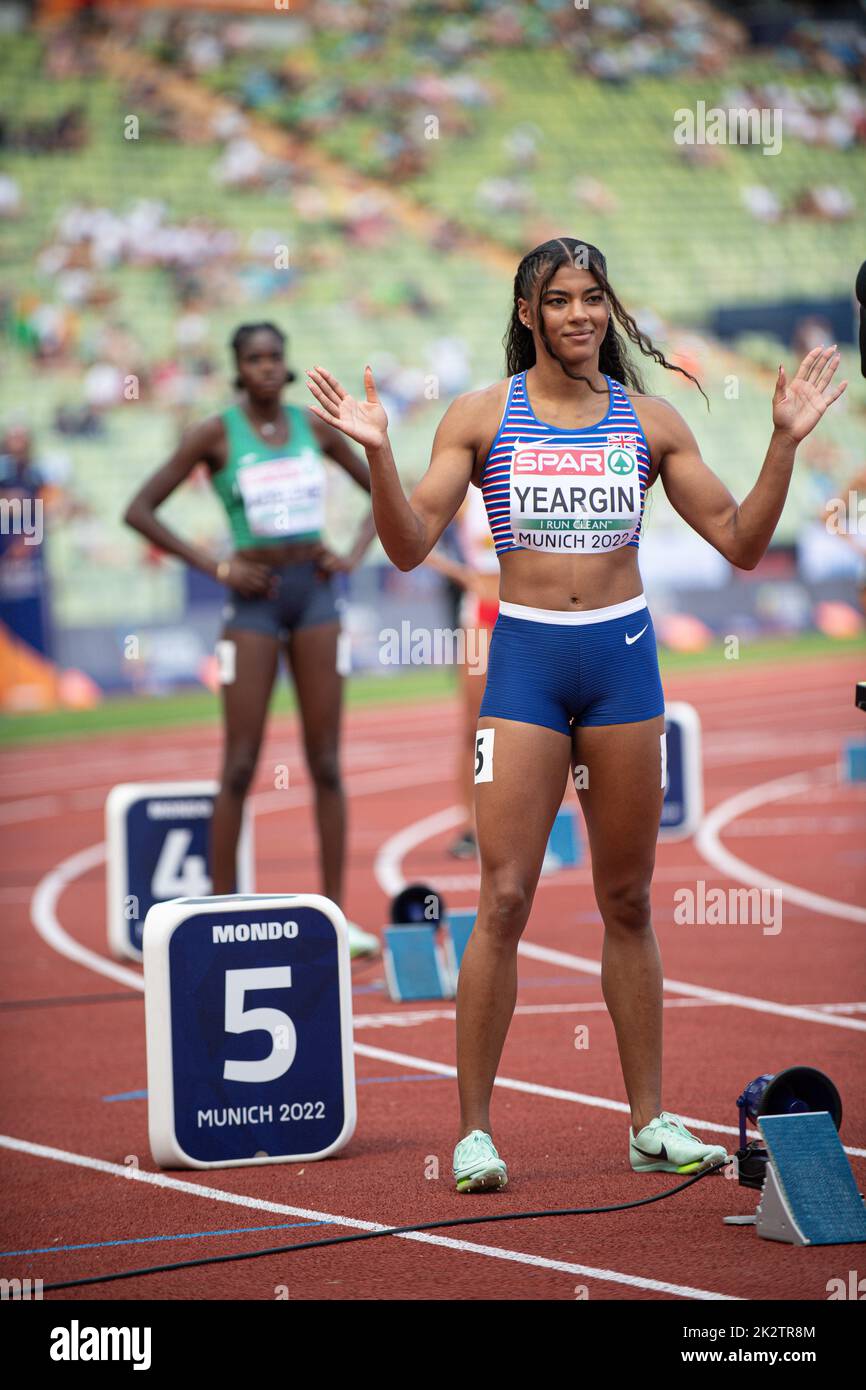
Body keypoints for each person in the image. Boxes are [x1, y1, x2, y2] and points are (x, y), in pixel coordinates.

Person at [306, 236, 847, 1190]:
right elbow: (402, 545)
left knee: (629, 900)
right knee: (505, 895)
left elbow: (742, 543)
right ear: (529, 314)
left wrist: (783, 444)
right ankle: (474, 1131)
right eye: (559, 300)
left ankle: (647, 1122)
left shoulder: (652, 421)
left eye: (593, 298)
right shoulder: (478, 418)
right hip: (525, 662)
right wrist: (381, 454)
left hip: (623, 662)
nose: (580, 316)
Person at [125, 321, 379, 957]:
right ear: (238, 369)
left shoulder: (315, 426)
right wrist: (216, 566)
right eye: (254, 359)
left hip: (316, 595)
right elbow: (140, 509)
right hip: (252, 604)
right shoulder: (215, 433)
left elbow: (383, 485)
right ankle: (216, 921)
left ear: (285, 365)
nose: (266, 367)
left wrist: (350, 553)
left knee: (325, 763)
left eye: (275, 357)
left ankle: (334, 919)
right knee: (238, 765)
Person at [424, 487, 500, 859]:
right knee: (474, 726)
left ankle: (553, 821)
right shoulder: (468, 491)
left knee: (552, 719)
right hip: (482, 613)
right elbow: (414, 530)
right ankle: (470, 828)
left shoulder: (537, 469)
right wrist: (460, 574)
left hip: (534, 609)